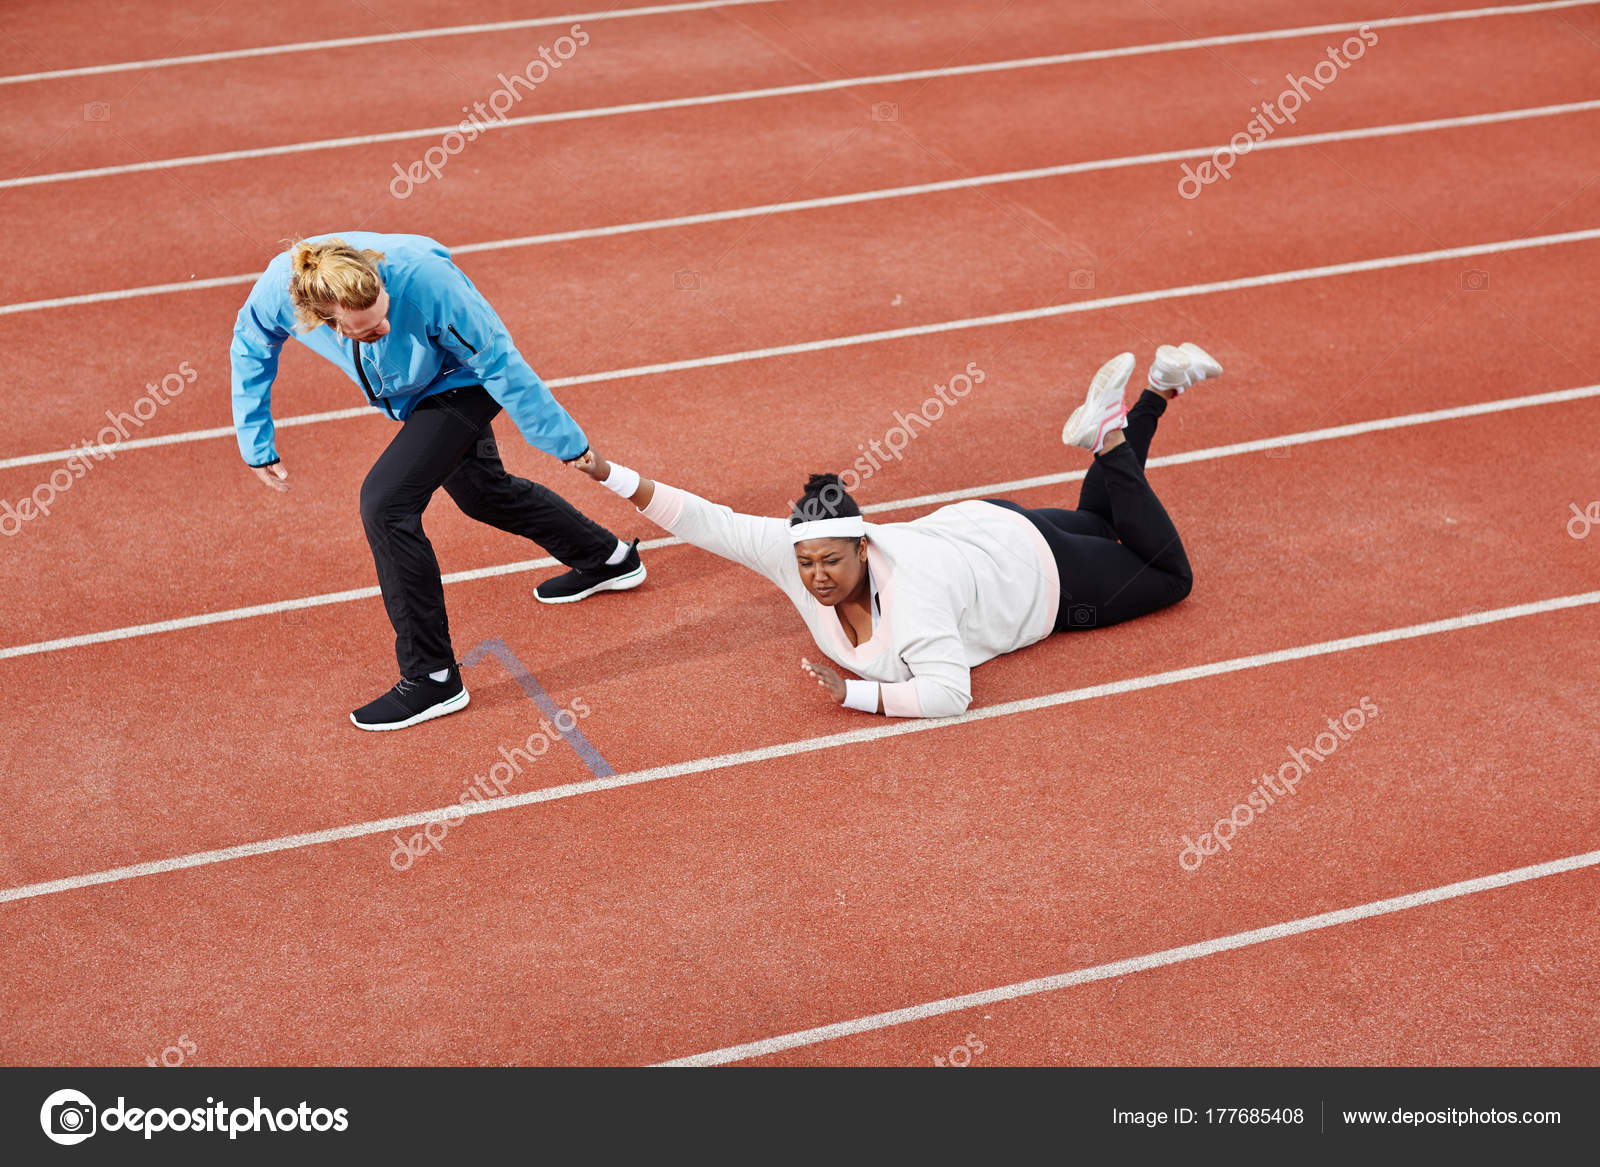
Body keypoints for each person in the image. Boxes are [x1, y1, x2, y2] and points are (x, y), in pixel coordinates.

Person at [568, 344, 1221, 717]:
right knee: (1106, 518)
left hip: (1040, 578)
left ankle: (1109, 442)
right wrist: (607, 473)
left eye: (830, 561)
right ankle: (1160, 387)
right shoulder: (796, 553)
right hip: (988, 526)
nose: (816, 576)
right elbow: (704, 520)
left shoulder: (912, 598)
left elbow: (950, 694)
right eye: (807, 564)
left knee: (1170, 574)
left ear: (863, 544)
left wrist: (854, 693)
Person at [229, 232, 645, 731]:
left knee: (386, 504)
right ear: (324, 320)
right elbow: (251, 346)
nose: (382, 327)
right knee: (481, 494)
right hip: (415, 394)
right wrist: (255, 440)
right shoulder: (281, 291)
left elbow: (500, 362)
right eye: (366, 330)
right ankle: (607, 559)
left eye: (384, 315)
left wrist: (566, 444)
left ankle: (432, 677)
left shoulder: (428, 282)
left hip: (463, 381)